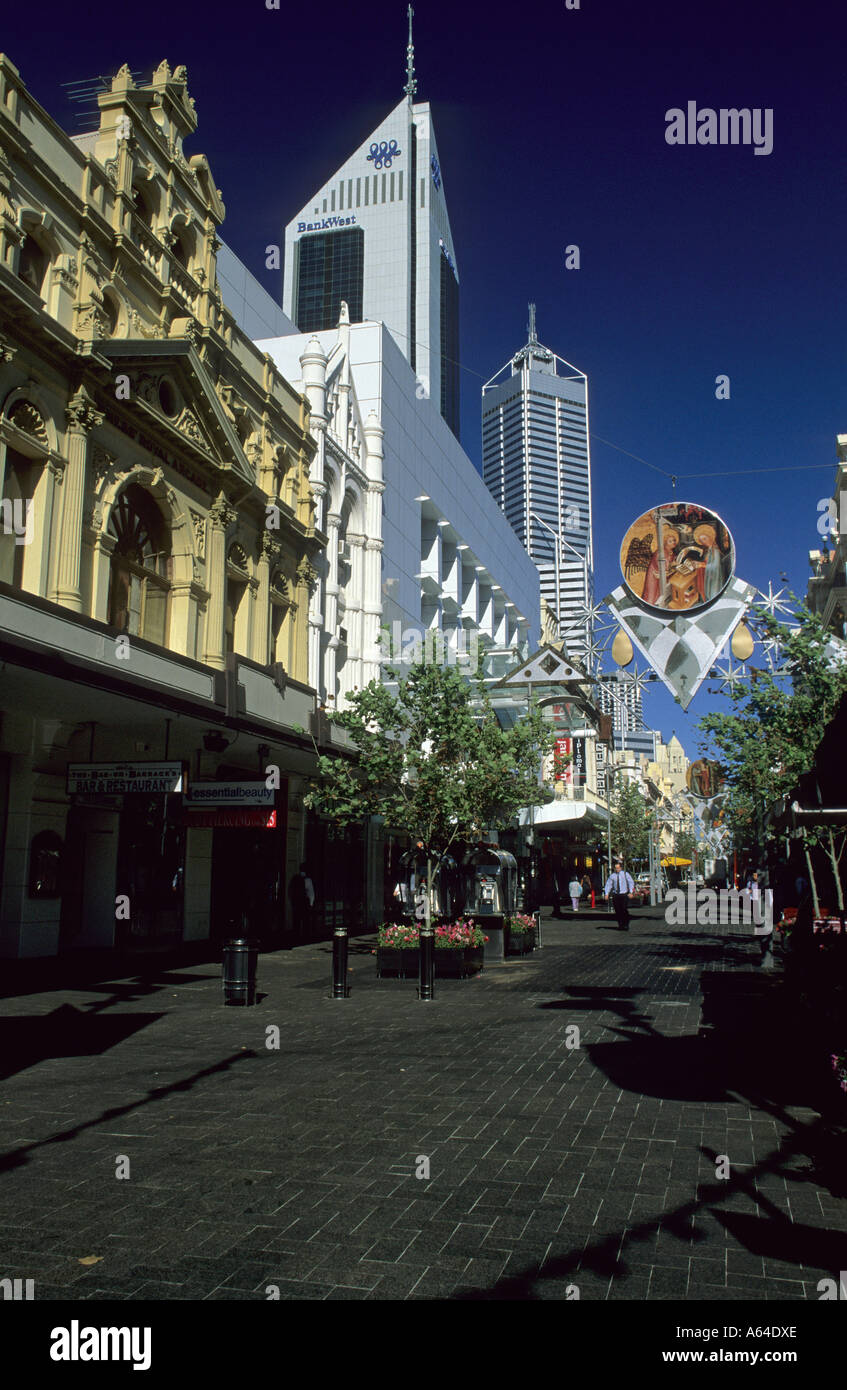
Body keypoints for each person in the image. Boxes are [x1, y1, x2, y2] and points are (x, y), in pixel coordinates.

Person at [604, 860, 635, 930]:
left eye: (618, 868)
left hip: (624, 894)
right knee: (618, 910)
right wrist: (606, 894)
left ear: (621, 868)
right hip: (616, 895)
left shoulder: (625, 874)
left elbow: (631, 882)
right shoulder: (612, 876)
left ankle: (626, 924)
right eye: (616, 868)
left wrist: (631, 892)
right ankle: (620, 924)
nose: (617, 869)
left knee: (624, 909)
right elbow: (608, 885)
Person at [288, 862, 315, 940]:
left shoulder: (295, 878)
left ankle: (296, 936)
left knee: (296, 921)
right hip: (304, 902)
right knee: (305, 921)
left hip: (296, 902)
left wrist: (292, 901)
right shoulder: (308, 879)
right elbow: (311, 893)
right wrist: (311, 904)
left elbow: (290, 891)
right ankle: (305, 937)